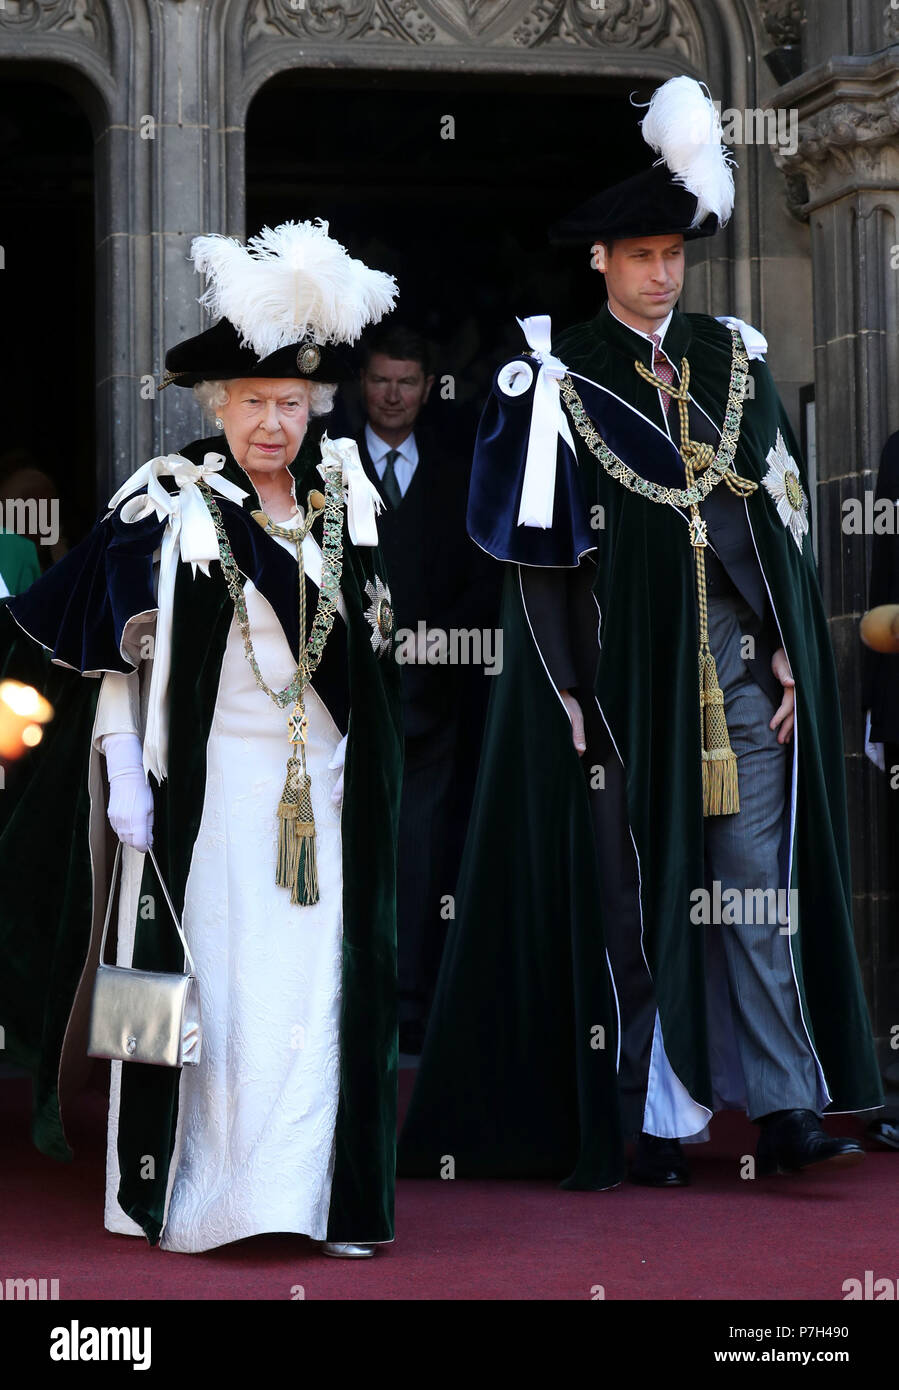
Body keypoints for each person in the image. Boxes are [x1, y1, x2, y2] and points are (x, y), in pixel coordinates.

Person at [399, 77, 883, 1191]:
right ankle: (656, 1119)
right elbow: (535, 552)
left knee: (753, 885)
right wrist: (565, 690)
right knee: (642, 894)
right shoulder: (556, 371)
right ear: (600, 261)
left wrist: (783, 642)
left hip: (735, 664)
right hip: (621, 671)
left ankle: (782, 1107)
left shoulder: (731, 355)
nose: (661, 274)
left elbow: (775, 515)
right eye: (640, 256)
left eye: (672, 254)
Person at [0, 219, 404, 1256]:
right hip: (207, 792)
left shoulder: (342, 499)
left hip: (322, 790)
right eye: (253, 402)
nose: (272, 423)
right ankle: (200, 1195)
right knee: (220, 993)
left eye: (290, 404)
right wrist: (124, 770)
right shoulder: (169, 499)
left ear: (314, 409)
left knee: (314, 992)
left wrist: (358, 765)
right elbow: (114, 655)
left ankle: (307, 1198)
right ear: (218, 405)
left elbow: (372, 654)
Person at [356, 325, 500, 1054]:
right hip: (343, 704)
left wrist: (439, 645)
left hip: (435, 705)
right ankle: (351, 998)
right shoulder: (328, 466)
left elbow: (484, 576)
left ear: (426, 387)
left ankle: (410, 1000)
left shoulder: (456, 470)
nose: (393, 395)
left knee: (421, 853)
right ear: (362, 383)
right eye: (381, 380)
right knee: (347, 851)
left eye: (406, 381)